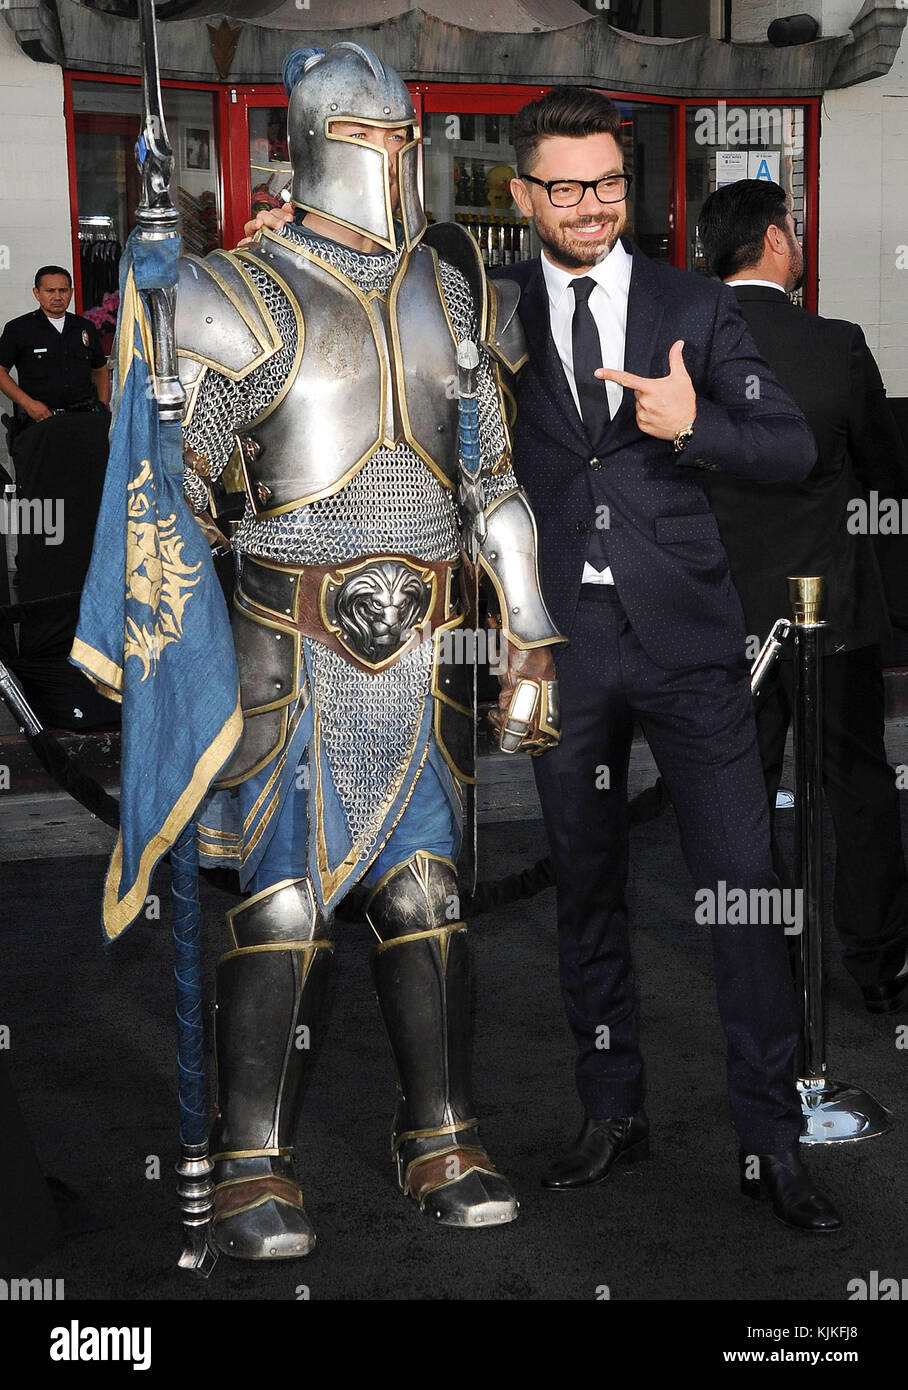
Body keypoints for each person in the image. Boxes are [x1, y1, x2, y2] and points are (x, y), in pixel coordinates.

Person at [175, 42, 564, 1260]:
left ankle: (437, 1131)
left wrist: (531, 627)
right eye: (385, 138)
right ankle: (249, 1159)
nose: (404, 159)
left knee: (429, 896)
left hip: (431, 645)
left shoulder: (451, 296)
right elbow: (172, 507)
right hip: (289, 648)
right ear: (325, 140)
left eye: (408, 138)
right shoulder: (224, 293)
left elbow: (492, 483)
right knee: (284, 909)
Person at [490, 87, 841, 1232]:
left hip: (690, 645)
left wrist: (690, 426)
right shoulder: (489, 319)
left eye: (608, 184)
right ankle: (611, 1109)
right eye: (566, 186)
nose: (591, 206)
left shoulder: (692, 303)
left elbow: (787, 447)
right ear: (521, 194)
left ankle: (771, 1140)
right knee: (584, 893)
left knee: (741, 894)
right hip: (561, 652)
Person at [697, 179, 908, 1015]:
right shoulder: (837, 344)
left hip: (722, 617)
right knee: (855, 785)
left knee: (740, 795)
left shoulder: (681, 346)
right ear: (778, 240)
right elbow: (889, 478)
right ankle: (880, 965)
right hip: (832, 614)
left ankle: (767, 970)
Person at [0, 266, 109, 449]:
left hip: (84, 423)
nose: (57, 297)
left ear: (71, 292)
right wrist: (29, 404)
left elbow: (100, 369)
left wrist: (102, 407)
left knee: (86, 476)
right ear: (37, 293)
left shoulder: (85, 327)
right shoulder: (18, 329)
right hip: (39, 424)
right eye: (50, 291)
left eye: (63, 290)